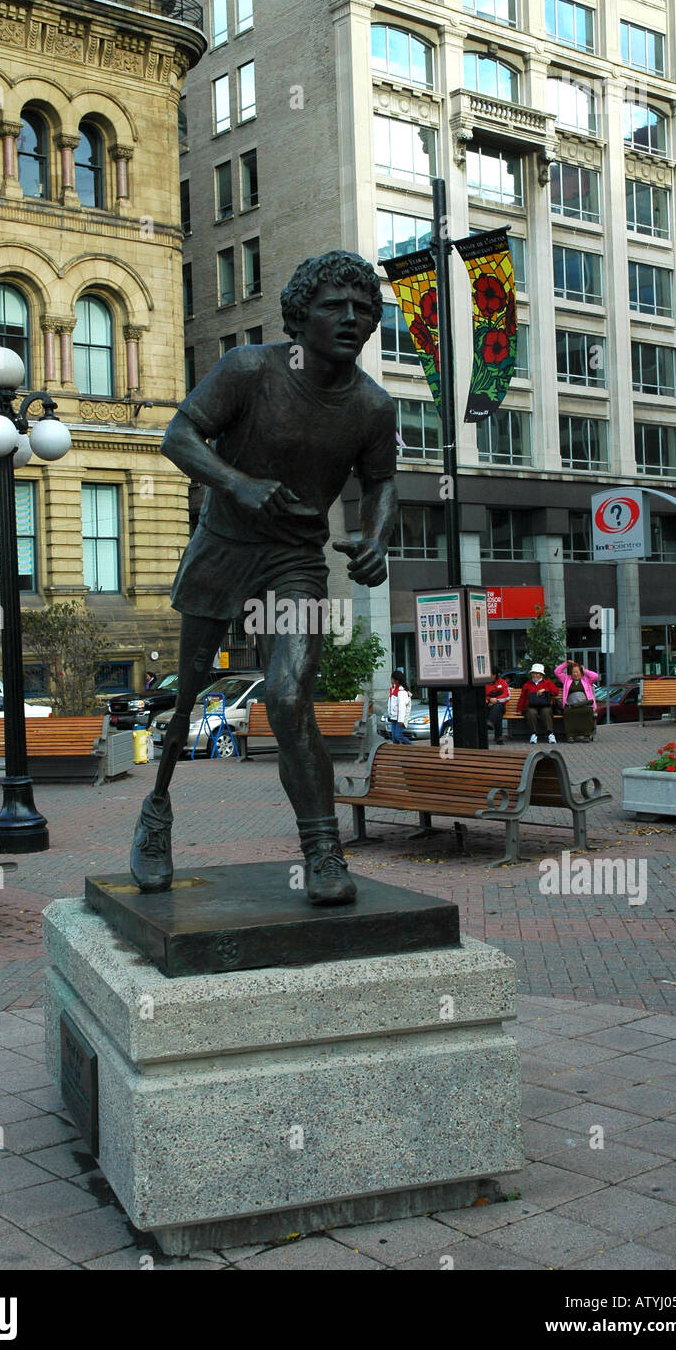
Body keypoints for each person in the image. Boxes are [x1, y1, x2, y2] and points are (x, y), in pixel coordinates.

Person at [130, 251, 398, 906]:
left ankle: (322, 848)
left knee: (285, 695)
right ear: (300, 314)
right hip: (224, 541)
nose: (352, 318)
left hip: (296, 560)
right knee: (189, 688)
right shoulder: (248, 369)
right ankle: (157, 812)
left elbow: (382, 483)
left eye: (364, 309)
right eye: (336, 305)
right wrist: (238, 484)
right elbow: (179, 435)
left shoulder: (372, 406)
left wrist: (375, 541)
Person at [554, 659, 599, 741]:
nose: (575, 674)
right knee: (568, 712)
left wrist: (585, 670)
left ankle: (586, 735)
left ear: (580, 672)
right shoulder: (566, 679)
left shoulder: (586, 680)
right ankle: (570, 735)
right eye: (573, 672)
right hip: (571, 704)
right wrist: (566, 664)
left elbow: (595, 676)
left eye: (577, 672)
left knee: (587, 711)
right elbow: (557, 672)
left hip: (584, 704)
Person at [517, 663, 560, 744]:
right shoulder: (527, 684)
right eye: (533, 673)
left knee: (546, 712)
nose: (535, 675)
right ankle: (533, 734)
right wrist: (519, 710)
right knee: (531, 712)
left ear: (541, 674)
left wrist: (545, 690)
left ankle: (550, 734)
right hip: (531, 706)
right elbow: (522, 698)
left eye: (537, 673)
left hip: (544, 705)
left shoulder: (547, 683)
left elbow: (556, 692)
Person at [485, 665, 510, 744]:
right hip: (487, 706)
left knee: (497, 707)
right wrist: (489, 700)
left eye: (491, 674)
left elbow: (507, 696)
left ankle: (490, 722)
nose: (489, 676)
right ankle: (498, 738)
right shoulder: (483, 682)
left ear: (495, 675)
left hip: (499, 705)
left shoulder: (502, 682)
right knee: (497, 712)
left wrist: (495, 700)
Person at [388, 670, 412, 743]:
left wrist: (401, 720)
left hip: (399, 718)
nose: (390, 680)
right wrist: (390, 714)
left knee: (398, 735)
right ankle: (397, 752)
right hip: (394, 717)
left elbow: (402, 707)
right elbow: (390, 704)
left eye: (392, 678)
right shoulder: (392, 689)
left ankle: (413, 747)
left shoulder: (401, 691)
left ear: (397, 680)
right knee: (394, 737)